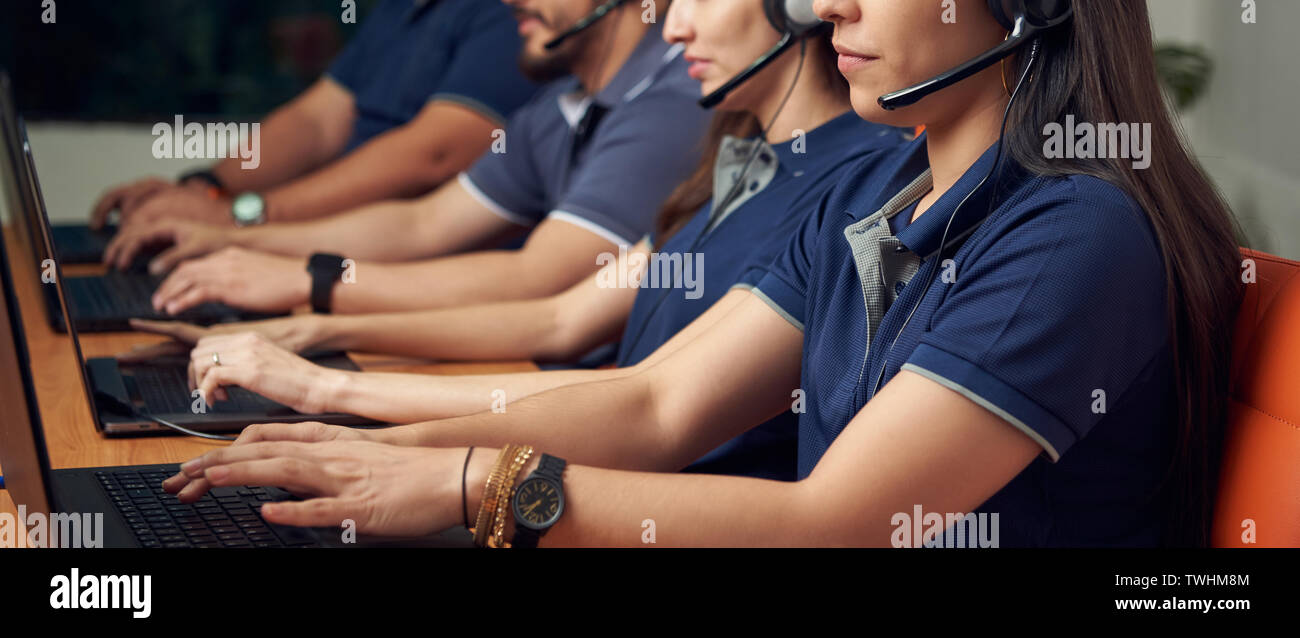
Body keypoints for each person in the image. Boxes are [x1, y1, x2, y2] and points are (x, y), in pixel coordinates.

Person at [165, 0, 1243, 548]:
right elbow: (659, 401)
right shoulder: (875, 198)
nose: (828, 8)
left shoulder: (1075, 232)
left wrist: (466, 485)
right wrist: (352, 447)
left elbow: (836, 521)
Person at [122, 0, 910, 481]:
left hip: (629, 496)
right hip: (588, 469)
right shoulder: (732, 160)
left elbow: (645, 406)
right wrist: (320, 337)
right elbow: (564, 321)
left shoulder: (856, 182)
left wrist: (341, 398)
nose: (671, 27)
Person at [104, 0, 711, 319]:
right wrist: (241, 238)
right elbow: (419, 223)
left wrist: (309, 283)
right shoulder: (558, 104)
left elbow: (535, 280)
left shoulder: (669, 107)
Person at [92, 0, 539, 232]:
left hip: (420, 268)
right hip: (348, 247)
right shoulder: (402, 8)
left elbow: (435, 153)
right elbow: (318, 119)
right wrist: (208, 188)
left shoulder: (514, 14)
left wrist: (242, 216)